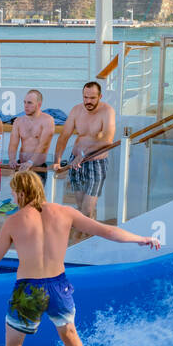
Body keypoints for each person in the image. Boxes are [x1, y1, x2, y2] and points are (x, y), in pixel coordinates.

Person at [0, 170, 160, 346]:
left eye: (14, 194)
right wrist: (140, 239)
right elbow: (108, 231)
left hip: (29, 290)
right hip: (59, 286)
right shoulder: (66, 212)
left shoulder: (14, 222)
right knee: (70, 335)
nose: (14, 199)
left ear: (19, 192)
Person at [54, 80, 117, 240]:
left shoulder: (107, 111)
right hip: (76, 161)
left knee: (87, 209)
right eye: (85, 97)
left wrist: (84, 153)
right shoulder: (76, 110)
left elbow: (108, 140)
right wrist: (57, 159)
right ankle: (89, 238)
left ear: (100, 96)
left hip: (96, 162)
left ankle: (79, 239)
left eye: (92, 98)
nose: (88, 101)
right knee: (81, 206)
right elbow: (64, 136)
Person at [5, 89, 55, 184]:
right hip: (21, 165)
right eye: (24, 102)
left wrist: (31, 162)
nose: (26, 106)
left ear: (39, 104)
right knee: (19, 196)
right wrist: (11, 159)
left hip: (37, 166)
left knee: (34, 198)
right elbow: (13, 144)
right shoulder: (18, 121)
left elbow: (43, 145)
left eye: (30, 103)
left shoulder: (47, 120)